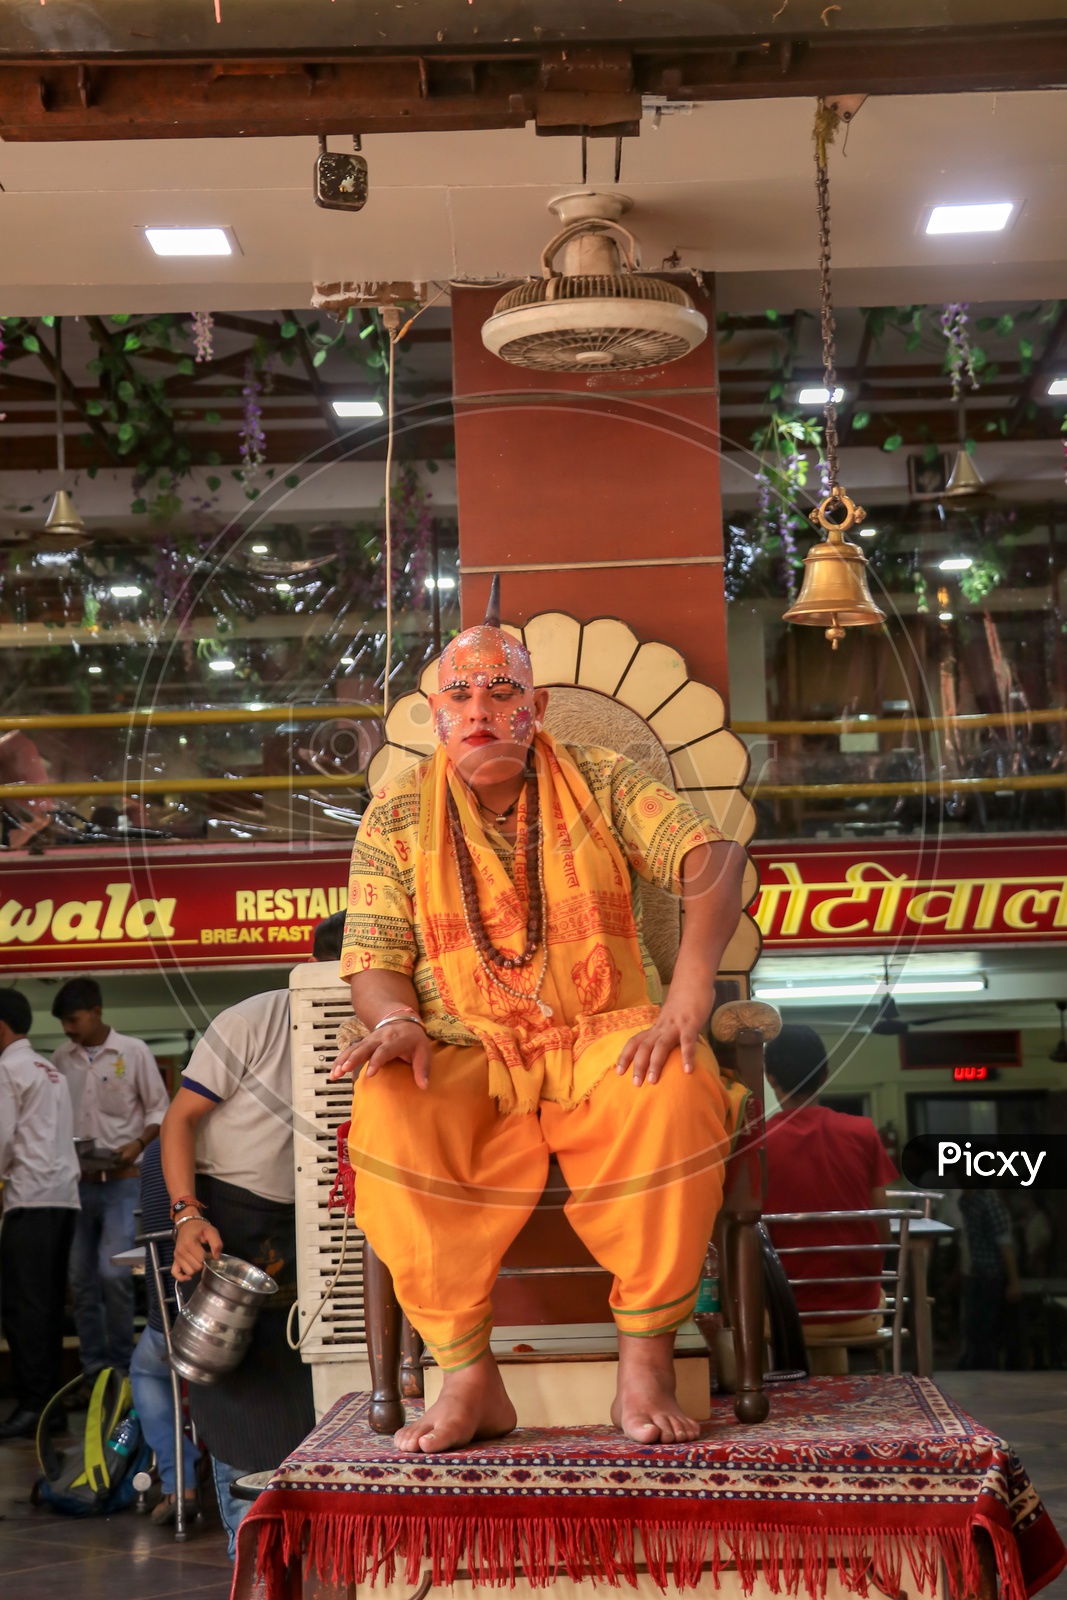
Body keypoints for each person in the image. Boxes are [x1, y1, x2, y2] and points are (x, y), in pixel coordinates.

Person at [330, 581, 746, 1453]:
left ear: (536, 706)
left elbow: (711, 860)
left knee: (674, 1091)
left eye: (501, 690)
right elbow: (372, 957)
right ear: (434, 715)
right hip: (463, 1045)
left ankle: (645, 1362)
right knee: (387, 1115)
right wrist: (396, 1020)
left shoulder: (599, 774)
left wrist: (689, 995)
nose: (479, 709)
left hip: (602, 1034)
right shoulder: (397, 810)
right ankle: (469, 1378)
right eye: (459, 694)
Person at [160, 911, 345, 1558]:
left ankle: (319, 1563)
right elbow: (178, 1121)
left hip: (325, 1226)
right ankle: (255, 1562)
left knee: (323, 1401)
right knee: (241, 1402)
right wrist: (187, 1216)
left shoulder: (379, 1028)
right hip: (232, 1224)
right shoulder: (253, 1021)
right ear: (311, 971)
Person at [51, 976, 170, 1379]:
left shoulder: (133, 1052)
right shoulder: (60, 1059)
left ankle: (121, 1368)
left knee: (115, 1275)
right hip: (77, 1185)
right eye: (65, 1022)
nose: (69, 1028)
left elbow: (159, 1110)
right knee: (80, 1282)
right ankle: (92, 1370)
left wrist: (137, 1144)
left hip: (124, 1182)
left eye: (74, 1019)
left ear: (97, 1012)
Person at [763, 1024, 898, 1375]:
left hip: (785, 1313)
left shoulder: (758, 1144)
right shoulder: (863, 1133)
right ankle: (831, 1393)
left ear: (770, 1076)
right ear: (824, 1073)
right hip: (858, 1310)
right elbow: (882, 1235)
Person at [0, 989, 80, 1439]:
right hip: (62, 1198)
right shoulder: (49, 1068)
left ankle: (34, 1405)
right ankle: (51, 1405)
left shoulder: (8, 1069)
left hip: (29, 1199)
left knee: (23, 1308)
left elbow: (2, 1140)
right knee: (47, 1306)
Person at [128, 1137, 201, 1525]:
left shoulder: (159, 1150)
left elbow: (156, 1235)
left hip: (179, 1318)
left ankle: (181, 1483)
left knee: (146, 1370)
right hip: (254, 1307)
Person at [958, 1187, 1020, 1369]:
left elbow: (1004, 1243)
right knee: (974, 1329)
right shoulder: (966, 1202)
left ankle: (988, 1369)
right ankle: (976, 1365)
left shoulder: (989, 1203)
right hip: (977, 1272)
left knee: (988, 1331)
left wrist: (1013, 1281)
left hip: (993, 1275)